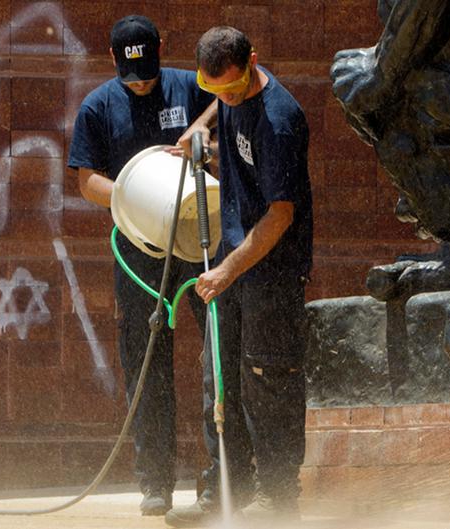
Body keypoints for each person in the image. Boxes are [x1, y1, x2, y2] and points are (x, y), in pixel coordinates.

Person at [66, 14, 215, 516]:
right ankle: (155, 481)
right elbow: (86, 180)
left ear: (161, 50)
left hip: (198, 240)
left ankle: (219, 477)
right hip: (139, 248)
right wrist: (133, 198)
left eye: (148, 72)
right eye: (132, 76)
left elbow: (226, 100)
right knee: (148, 362)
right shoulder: (98, 106)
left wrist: (201, 130)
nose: (143, 83)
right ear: (112, 60)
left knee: (219, 352)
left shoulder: (187, 86)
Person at [165, 26, 314, 527]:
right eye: (214, 91)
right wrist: (202, 126)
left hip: (272, 268)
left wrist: (227, 269)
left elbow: (280, 215)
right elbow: (218, 101)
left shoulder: (280, 121)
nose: (225, 97)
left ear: (253, 60)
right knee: (219, 376)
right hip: (232, 258)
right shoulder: (224, 95)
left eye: (232, 88)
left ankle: (277, 496)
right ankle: (226, 490)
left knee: (267, 379)